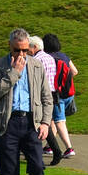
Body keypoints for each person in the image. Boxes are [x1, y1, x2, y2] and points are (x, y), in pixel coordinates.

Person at [0, 28, 52, 175]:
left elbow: (47, 97)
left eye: (25, 50)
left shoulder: (36, 65)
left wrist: (46, 123)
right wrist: (14, 73)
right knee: (9, 171)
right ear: (9, 45)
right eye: (17, 50)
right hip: (7, 122)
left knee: (37, 168)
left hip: (32, 123)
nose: (21, 54)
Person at [28, 35, 67, 164]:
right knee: (46, 123)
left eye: (29, 47)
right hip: (51, 93)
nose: (27, 50)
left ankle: (51, 151)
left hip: (40, 94)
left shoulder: (36, 60)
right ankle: (54, 152)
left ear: (35, 47)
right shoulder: (50, 58)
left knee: (39, 123)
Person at [42, 33, 78, 159]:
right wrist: (66, 81)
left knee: (59, 121)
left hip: (57, 95)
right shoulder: (64, 56)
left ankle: (69, 148)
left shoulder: (47, 58)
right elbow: (74, 71)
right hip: (68, 93)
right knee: (52, 119)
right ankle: (49, 146)